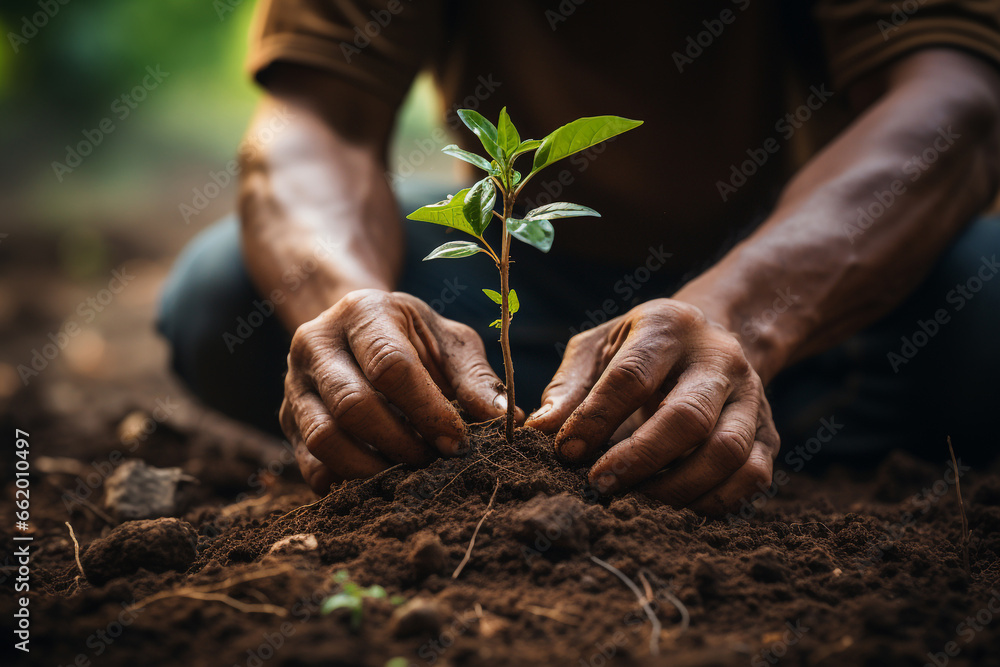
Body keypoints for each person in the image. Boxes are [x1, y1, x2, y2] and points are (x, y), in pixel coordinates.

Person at [159, 1, 1000, 514]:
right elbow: (315, 121)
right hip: (523, 302)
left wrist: (743, 316)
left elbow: (953, 104)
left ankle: (715, 399)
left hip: (817, 284)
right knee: (227, 294)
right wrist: (349, 311)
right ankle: (608, 427)